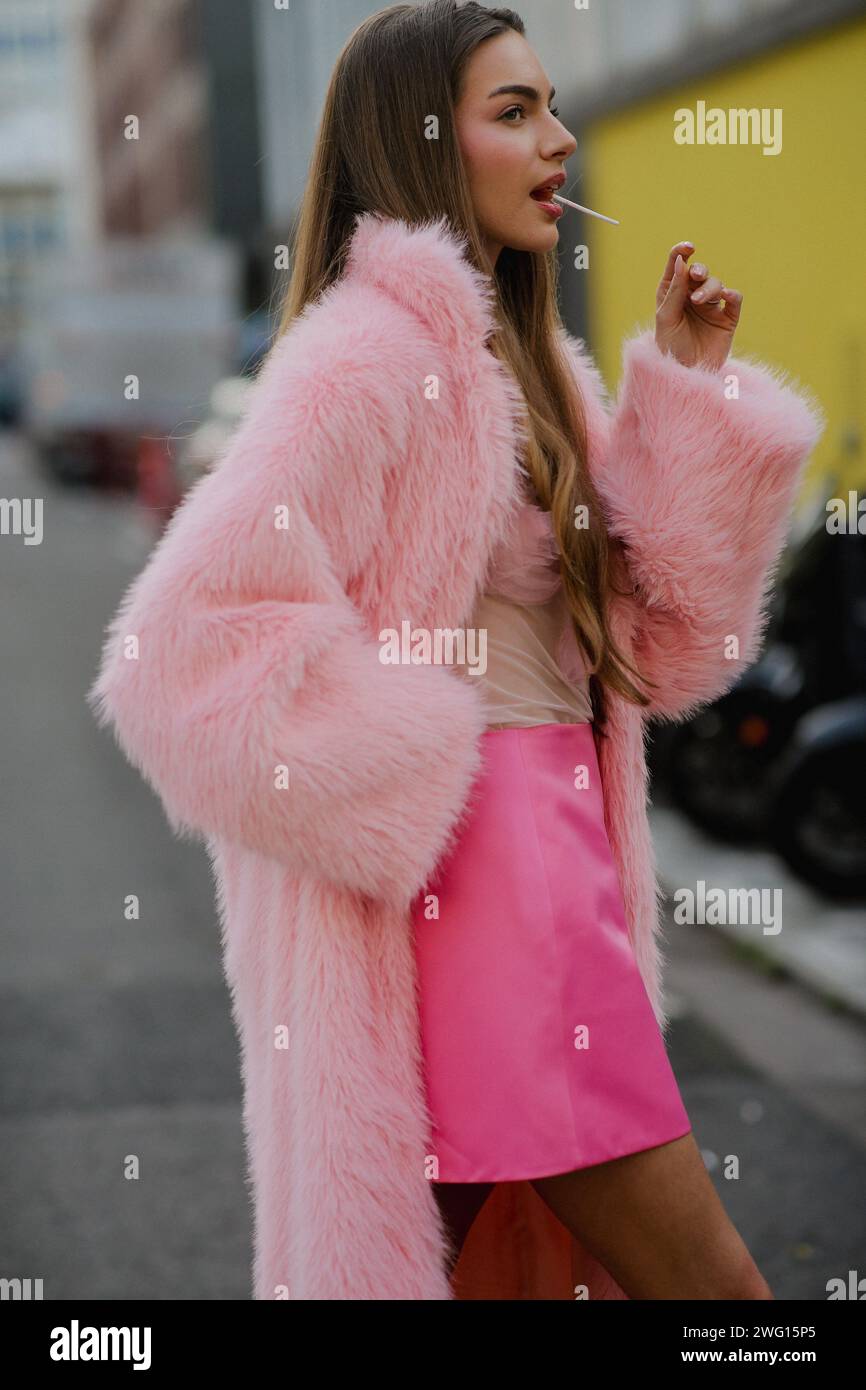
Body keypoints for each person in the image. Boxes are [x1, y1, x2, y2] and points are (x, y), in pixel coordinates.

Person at [87, 1, 825, 1300]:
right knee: (713, 1287)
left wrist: (692, 394)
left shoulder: (530, 361)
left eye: (551, 104)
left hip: (557, 856)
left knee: (506, 1273)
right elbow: (181, 651)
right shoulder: (365, 359)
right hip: (488, 876)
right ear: (421, 140)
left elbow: (664, 646)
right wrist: (427, 771)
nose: (558, 138)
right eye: (514, 110)